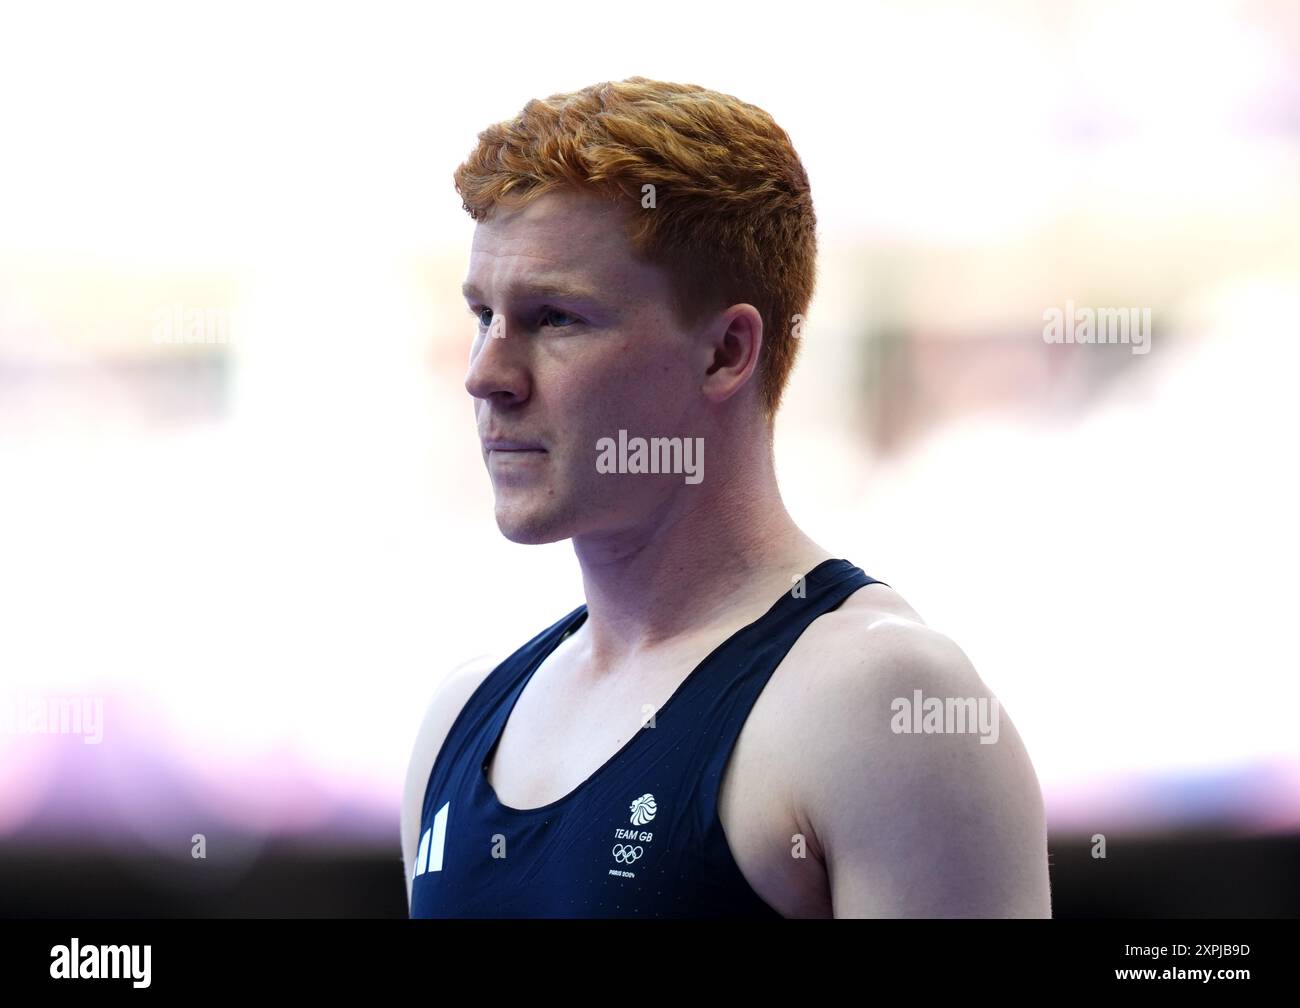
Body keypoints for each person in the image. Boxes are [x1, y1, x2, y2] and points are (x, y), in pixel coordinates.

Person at [401, 77, 1051, 917]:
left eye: (555, 318)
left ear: (726, 353)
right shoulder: (460, 720)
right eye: (484, 314)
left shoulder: (882, 704)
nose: (484, 374)